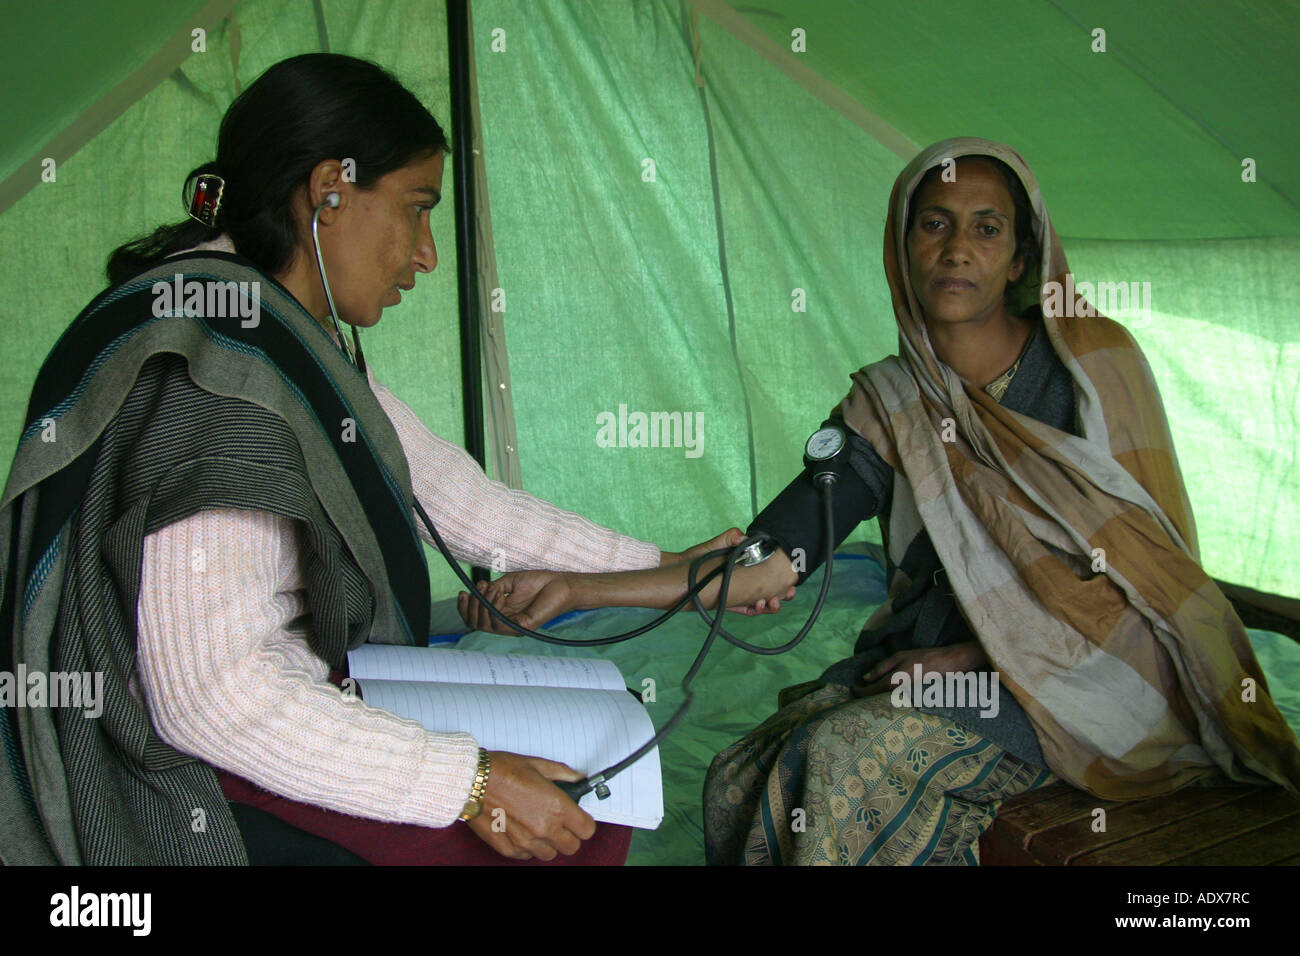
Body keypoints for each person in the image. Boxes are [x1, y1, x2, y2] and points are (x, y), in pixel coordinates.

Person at [0, 52, 777, 867]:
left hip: (258, 710)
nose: (428, 253)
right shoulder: (216, 379)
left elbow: (457, 500)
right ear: (329, 189)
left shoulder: (271, 324)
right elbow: (211, 699)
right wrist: (472, 784)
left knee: (586, 785)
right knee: (559, 825)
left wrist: (670, 568)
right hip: (175, 778)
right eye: (416, 208)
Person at [460, 137, 1300, 865]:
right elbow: (767, 563)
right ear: (903, 249)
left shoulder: (1092, 369)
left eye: (986, 228)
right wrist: (582, 589)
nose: (957, 248)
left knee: (847, 756)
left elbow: (1149, 582)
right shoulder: (888, 402)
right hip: (922, 667)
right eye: (934, 223)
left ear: (1020, 256)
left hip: (1086, 679)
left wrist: (976, 661)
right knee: (738, 775)